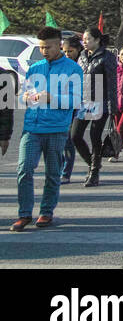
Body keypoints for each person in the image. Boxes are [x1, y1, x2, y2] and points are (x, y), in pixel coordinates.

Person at [11, 28, 82, 231]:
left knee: (52, 173)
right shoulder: (35, 69)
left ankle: (46, 212)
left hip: (57, 128)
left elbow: (76, 100)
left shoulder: (73, 69)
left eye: (48, 47)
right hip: (32, 127)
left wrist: (52, 98)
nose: (44, 51)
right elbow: (23, 95)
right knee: (24, 170)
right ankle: (24, 214)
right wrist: (26, 98)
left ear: (59, 44)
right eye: (41, 47)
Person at [69, 26, 118, 186]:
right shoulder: (82, 56)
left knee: (95, 137)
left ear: (97, 40)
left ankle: (94, 173)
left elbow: (112, 83)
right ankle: (92, 164)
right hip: (83, 102)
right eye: (83, 39)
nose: (85, 41)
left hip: (100, 102)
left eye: (88, 39)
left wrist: (112, 107)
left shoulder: (107, 57)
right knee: (75, 136)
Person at [57, 35, 84, 184]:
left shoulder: (82, 64)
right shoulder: (60, 64)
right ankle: (59, 169)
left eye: (70, 51)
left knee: (69, 140)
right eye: (65, 51)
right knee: (59, 140)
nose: (67, 54)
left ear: (78, 50)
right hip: (61, 105)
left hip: (77, 107)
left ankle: (66, 173)